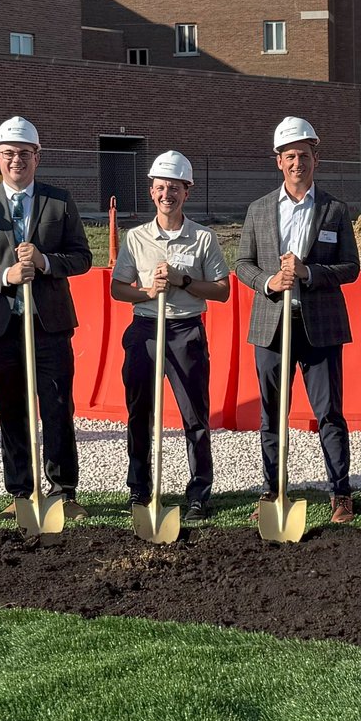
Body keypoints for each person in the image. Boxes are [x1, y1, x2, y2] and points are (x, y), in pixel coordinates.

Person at [0, 115, 93, 510]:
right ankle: (20, 491)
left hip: (49, 323)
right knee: (11, 407)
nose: (17, 160)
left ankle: (63, 491)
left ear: (38, 157)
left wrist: (47, 262)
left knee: (56, 406)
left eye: (25, 153)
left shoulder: (59, 200)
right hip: (1, 324)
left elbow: (82, 257)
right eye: (9, 153)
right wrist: (5, 275)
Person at [232, 116, 361, 524]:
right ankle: (273, 492)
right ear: (279, 161)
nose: (296, 163)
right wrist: (269, 281)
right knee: (272, 413)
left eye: (303, 156)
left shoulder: (334, 210)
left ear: (315, 159)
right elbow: (241, 263)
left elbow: (351, 268)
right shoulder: (258, 210)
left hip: (320, 326)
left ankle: (340, 493)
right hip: (271, 326)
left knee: (329, 413)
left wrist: (309, 273)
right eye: (289, 156)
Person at [110, 149, 230, 520]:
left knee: (195, 415)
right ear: (152, 192)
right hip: (145, 328)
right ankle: (139, 490)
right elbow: (118, 288)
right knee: (139, 413)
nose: (167, 194)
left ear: (186, 192)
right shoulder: (136, 237)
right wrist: (147, 292)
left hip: (185, 330)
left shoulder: (204, 239)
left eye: (175, 187)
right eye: (161, 187)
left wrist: (184, 281)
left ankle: (198, 493)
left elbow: (223, 290)